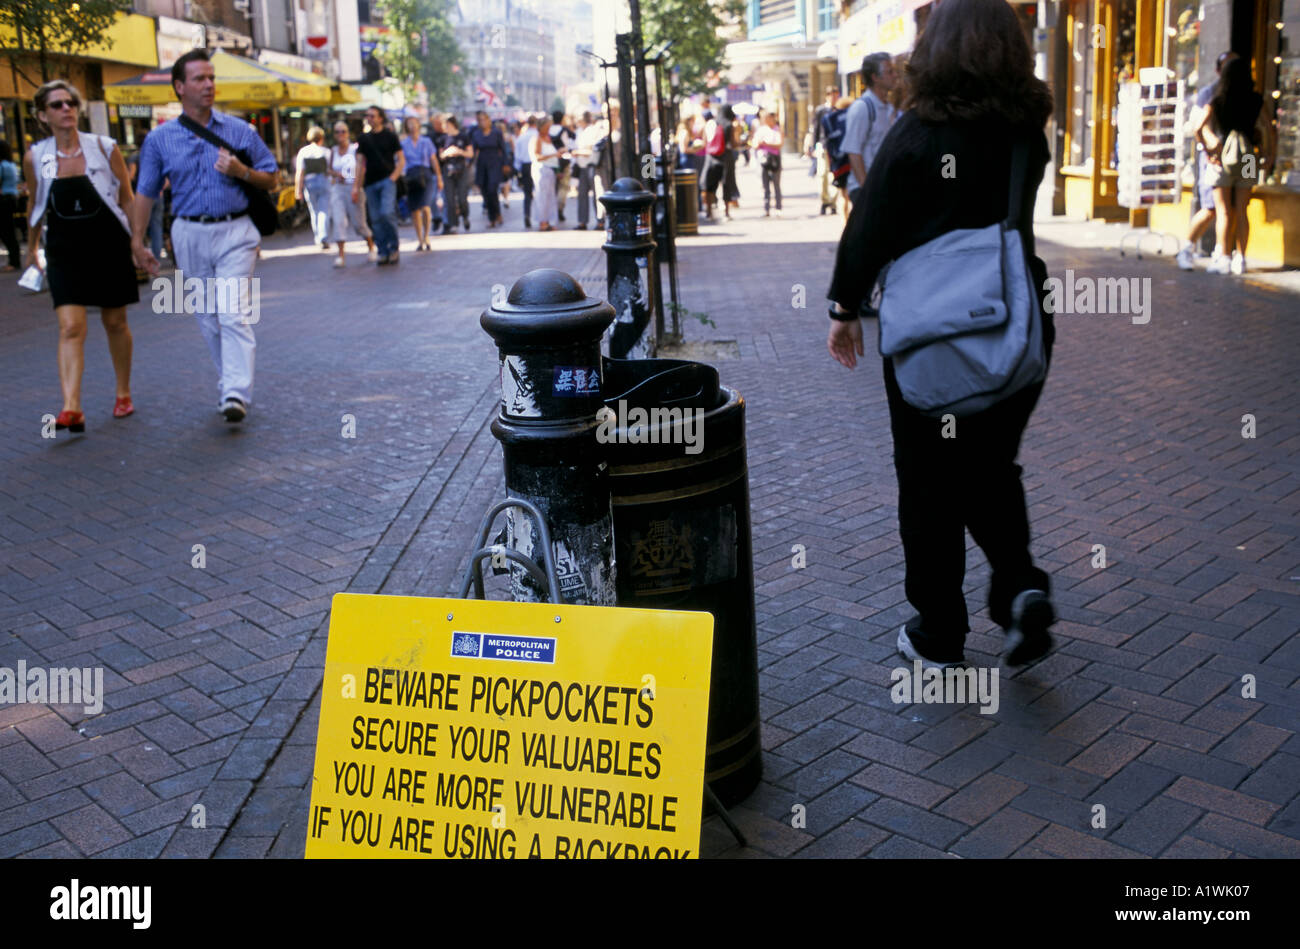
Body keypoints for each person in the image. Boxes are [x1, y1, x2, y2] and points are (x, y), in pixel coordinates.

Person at [827, 0, 1057, 670]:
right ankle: (1018, 588)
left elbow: (870, 223)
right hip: (1017, 320)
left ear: (937, 47)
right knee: (991, 467)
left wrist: (844, 306)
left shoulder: (918, 132)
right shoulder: (1026, 129)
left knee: (928, 479)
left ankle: (938, 630)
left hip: (934, 331)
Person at [132, 49, 278, 424]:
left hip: (236, 231)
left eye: (212, 77)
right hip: (188, 233)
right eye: (200, 79)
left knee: (233, 313)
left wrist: (242, 170)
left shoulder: (239, 130)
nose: (209, 84)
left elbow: (271, 177)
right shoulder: (159, 140)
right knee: (209, 317)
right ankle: (230, 381)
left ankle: (235, 393)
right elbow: (145, 192)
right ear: (180, 87)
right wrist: (137, 242)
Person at [24, 79, 137, 434]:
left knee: (115, 323)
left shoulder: (103, 148)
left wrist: (137, 243)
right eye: (57, 105)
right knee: (71, 327)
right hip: (64, 249)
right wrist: (31, 248)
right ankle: (72, 407)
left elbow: (127, 198)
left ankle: (123, 392)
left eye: (70, 102)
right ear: (43, 115)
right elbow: (37, 201)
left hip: (108, 244)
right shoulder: (39, 157)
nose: (66, 109)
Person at [1195, 58, 1273, 275]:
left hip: (1223, 158)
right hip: (1248, 157)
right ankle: (1242, 257)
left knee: (1224, 211)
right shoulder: (1256, 100)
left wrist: (1208, 150)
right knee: (1242, 209)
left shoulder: (1218, 99)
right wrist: (1269, 154)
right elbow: (1269, 128)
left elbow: (1198, 126)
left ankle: (1224, 257)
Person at [1177, 51, 1237, 270]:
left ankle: (1232, 255)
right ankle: (1205, 251)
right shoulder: (1213, 94)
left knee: (1237, 206)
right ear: (1219, 69)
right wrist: (1213, 149)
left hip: (1244, 157)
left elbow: (1265, 127)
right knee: (1215, 208)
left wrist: (1266, 155)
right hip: (1226, 157)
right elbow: (1199, 126)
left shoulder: (1248, 94)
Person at [843, 51, 898, 207]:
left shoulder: (889, 108)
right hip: (866, 190)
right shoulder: (862, 108)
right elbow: (853, 152)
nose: (895, 75)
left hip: (883, 188)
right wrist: (867, 189)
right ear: (875, 77)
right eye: (889, 72)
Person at [355, 105, 404, 265]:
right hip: (370, 183)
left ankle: (394, 247)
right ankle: (383, 251)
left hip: (387, 181)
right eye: (368, 115)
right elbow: (360, 163)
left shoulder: (390, 136)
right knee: (375, 218)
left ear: (380, 118)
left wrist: (394, 177)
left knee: (386, 213)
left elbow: (401, 158)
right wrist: (356, 185)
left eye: (373, 115)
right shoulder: (363, 138)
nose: (370, 118)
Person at [327, 121, 375, 267]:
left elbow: (362, 169)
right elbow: (328, 169)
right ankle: (341, 255)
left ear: (348, 133)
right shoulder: (333, 151)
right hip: (338, 188)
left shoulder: (355, 149)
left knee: (359, 223)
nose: (340, 134)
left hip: (354, 188)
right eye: (337, 132)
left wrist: (356, 187)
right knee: (339, 220)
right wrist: (337, 174)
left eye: (343, 131)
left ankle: (371, 247)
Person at [400, 116, 441, 251]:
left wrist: (439, 177)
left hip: (426, 175)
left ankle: (427, 235)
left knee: (425, 206)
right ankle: (419, 239)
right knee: (415, 210)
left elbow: (433, 159)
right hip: (411, 177)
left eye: (414, 123)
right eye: (409, 124)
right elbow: (401, 161)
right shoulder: (404, 144)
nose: (412, 126)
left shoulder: (426, 141)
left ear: (418, 125)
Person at [294, 126, 332, 250]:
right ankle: (323, 237)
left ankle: (318, 237)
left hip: (309, 183)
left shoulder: (303, 151)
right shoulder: (326, 151)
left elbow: (300, 172)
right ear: (321, 138)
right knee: (324, 210)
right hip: (324, 181)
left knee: (314, 211)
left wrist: (298, 189)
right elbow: (330, 170)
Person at [469, 110, 507, 227]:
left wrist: (505, 164)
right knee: (485, 192)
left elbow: (503, 149)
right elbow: (473, 151)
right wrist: (468, 163)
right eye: (480, 120)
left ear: (488, 120)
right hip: (482, 165)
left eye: (484, 119)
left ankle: (496, 214)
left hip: (495, 164)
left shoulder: (496, 133)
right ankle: (492, 217)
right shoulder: (476, 134)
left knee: (492, 190)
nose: (483, 122)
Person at [437, 115, 472, 233]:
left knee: (462, 198)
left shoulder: (463, 136)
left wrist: (459, 151)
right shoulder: (442, 139)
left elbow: (470, 154)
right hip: (448, 170)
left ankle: (465, 215)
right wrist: (447, 153)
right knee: (449, 199)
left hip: (461, 169)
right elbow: (440, 156)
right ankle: (454, 223)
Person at [531, 113, 564, 231]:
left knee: (550, 196)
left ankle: (550, 220)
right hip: (542, 170)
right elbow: (537, 156)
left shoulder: (549, 138)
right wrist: (554, 154)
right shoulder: (537, 139)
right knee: (543, 196)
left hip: (551, 170)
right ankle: (543, 221)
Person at [572, 111, 603, 230]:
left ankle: (600, 220)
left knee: (596, 194)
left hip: (590, 165)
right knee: (582, 194)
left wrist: (577, 152)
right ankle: (582, 221)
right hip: (582, 166)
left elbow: (591, 150)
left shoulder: (592, 130)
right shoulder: (580, 132)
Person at [753, 109, 783, 216]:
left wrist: (766, 144)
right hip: (763, 160)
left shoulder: (777, 129)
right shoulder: (760, 130)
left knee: (776, 185)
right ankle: (766, 209)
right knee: (765, 186)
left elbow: (779, 144)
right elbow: (755, 145)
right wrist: (762, 144)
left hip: (774, 159)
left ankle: (778, 208)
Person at [700, 108, 727, 221]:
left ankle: (708, 212)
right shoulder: (718, 124)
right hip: (720, 157)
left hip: (710, 157)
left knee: (705, 185)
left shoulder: (707, 125)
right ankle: (720, 211)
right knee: (715, 185)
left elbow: (704, 142)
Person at [550, 111, 575, 223]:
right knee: (563, 187)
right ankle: (560, 207)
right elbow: (570, 142)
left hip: (552, 161)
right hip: (564, 161)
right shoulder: (564, 130)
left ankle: (553, 209)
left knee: (553, 187)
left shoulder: (548, 130)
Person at [513, 114, 538, 228]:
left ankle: (527, 214)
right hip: (536, 164)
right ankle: (540, 216)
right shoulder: (538, 136)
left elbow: (517, 156)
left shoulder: (522, 137)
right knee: (539, 192)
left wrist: (518, 170)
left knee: (527, 193)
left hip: (525, 166)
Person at [1, 140, 21, 270]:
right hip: (13, 198)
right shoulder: (12, 165)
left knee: (6, 231)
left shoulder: (2, 165)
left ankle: (14, 262)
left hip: (3, 200)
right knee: (9, 230)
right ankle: (14, 260)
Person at [720, 105, 741, 213]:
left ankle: (711, 208)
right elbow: (733, 143)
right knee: (728, 181)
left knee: (717, 182)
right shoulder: (729, 125)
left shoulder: (715, 123)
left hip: (714, 156)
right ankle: (727, 209)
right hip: (727, 156)